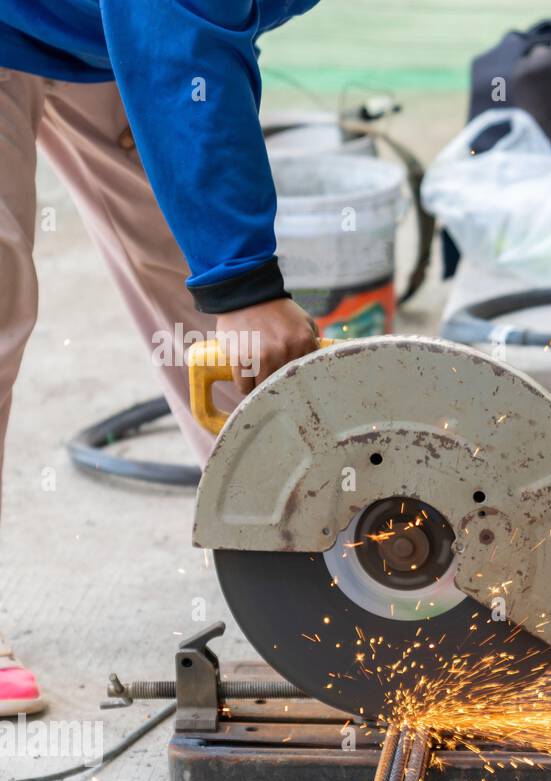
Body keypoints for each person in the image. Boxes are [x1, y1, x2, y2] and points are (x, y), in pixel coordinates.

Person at [0, 3, 323, 716]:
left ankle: (309, 545)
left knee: (190, 284)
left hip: (100, 25)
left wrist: (228, 284)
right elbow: (182, 33)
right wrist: (243, 281)